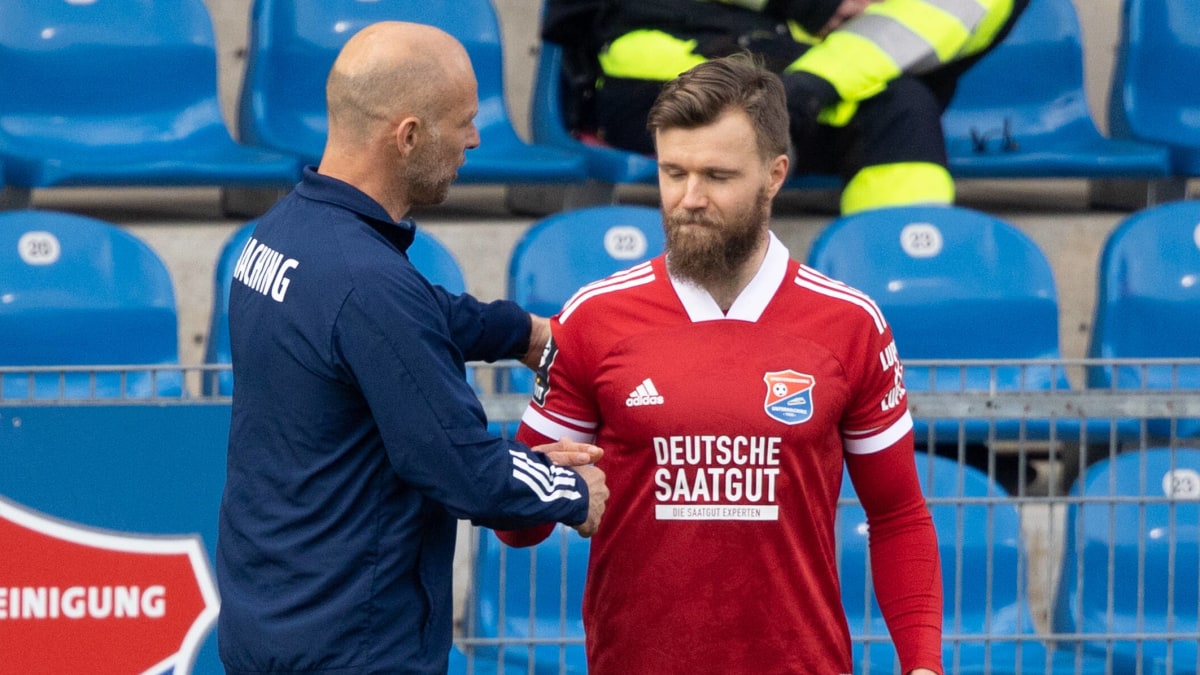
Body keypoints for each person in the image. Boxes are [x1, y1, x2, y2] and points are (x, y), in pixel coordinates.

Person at [498, 55, 943, 674]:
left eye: (717, 175)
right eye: (672, 172)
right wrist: (531, 484)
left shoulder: (850, 324)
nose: (689, 199)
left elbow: (898, 515)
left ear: (774, 175)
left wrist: (922, 663)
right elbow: (517, 531)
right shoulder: (595, 317)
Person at [215, 21, 609, 674]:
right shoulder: (368, 285)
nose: (477, 139)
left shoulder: (281, 232)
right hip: (352, 646)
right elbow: (463, 471)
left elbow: (412, 315)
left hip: (269, 621)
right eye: (464, 123)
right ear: (408, 137)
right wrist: (567, 487)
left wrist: (525, 331)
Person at [544, 0, 1027, 214]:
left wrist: (809, 84)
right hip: (654, 46)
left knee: (902, 108)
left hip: (809, 62)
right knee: (729, 115)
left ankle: (889, 308)